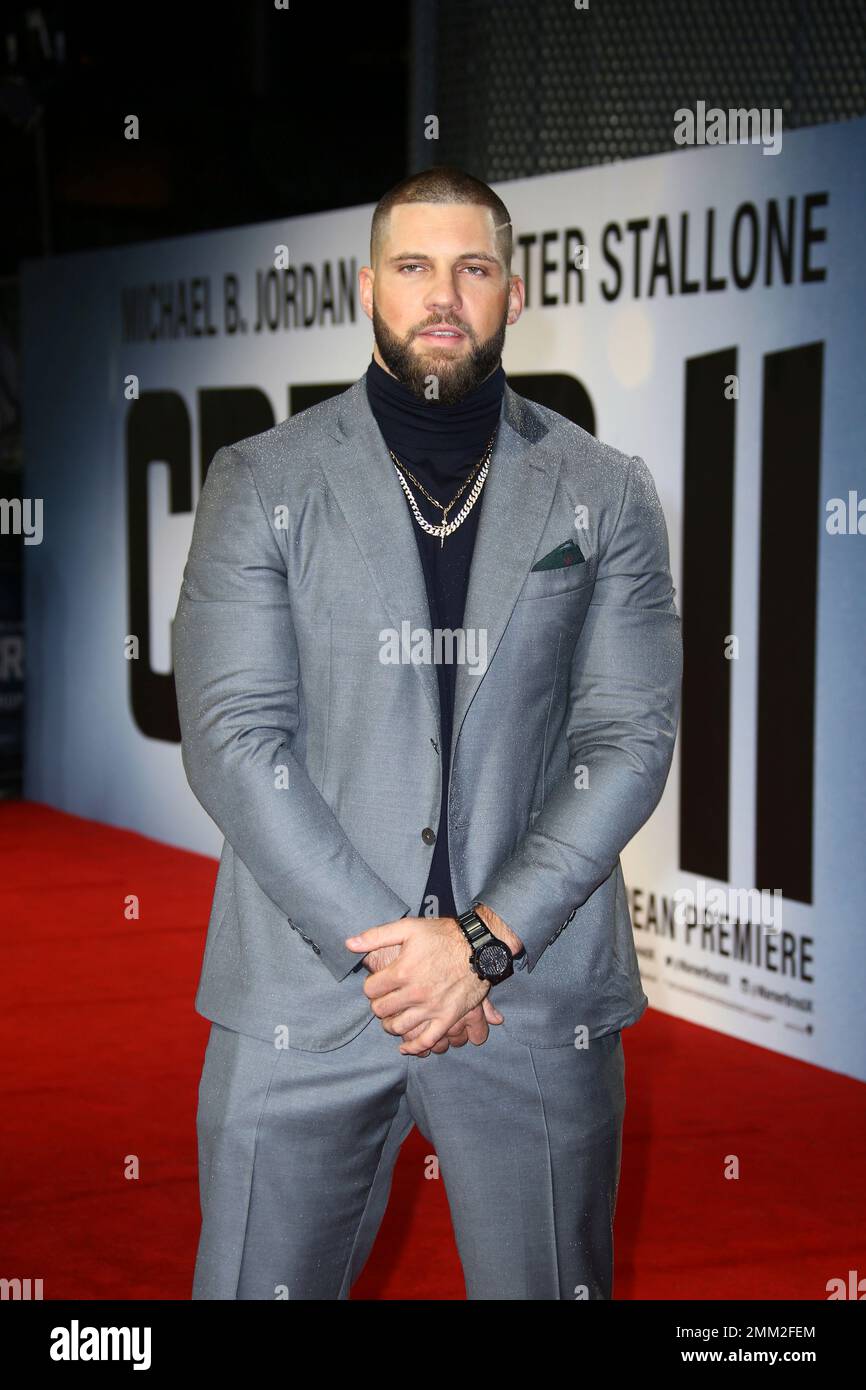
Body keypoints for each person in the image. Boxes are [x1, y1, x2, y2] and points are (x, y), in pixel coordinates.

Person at [173, 164, 682, 1300]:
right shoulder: (261, 479)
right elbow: (233, 737)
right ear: (367, 289)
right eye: (413, 267)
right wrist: (399, 952)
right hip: (303, 1006)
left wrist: (482, 944)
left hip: (530, 994)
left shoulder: (606, 488)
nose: (441, 292)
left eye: (471, 268)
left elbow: (626, 734)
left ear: (512, 291)